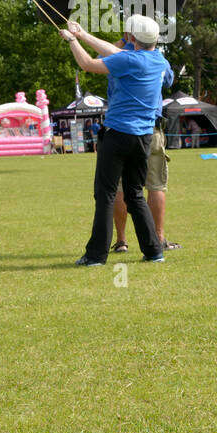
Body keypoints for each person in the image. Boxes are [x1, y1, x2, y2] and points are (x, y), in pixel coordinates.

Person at [61, 15, 170, 266]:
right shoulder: (158, 60)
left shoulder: (129, 59)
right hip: (142, 138)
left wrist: (71, 41)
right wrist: (83, 34)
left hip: (118, 135)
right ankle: (154, 251)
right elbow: (113, 51)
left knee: (106, 194)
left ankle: (96, 255)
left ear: (131, 38)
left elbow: (88, 63)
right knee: (135, 195)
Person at [110, 29, 177, 254]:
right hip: (151, 129)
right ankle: (158, 238)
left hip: (120, 129)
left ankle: (121, 241)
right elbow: (169, 79)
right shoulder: (156, 58)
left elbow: (98, 60)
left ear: (128, 35)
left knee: (120, 187)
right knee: (155, 185)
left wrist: (121, 42)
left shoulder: (118, 55)